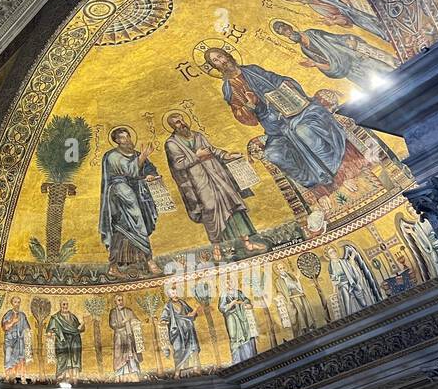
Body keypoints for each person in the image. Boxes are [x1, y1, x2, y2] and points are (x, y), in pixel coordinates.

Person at [203, 46, 349, 191]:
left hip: (298, 113)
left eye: (220, 56)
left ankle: (334, 169)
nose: (221, 61)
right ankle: (313, 183)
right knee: (273, 154)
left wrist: (285, 85)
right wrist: (250, 105)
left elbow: (277, 79)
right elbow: (241, 116)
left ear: (227, 55)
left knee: (303, 131)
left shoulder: (253, 70)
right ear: (214, 66)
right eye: (215, 60)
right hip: (276, 129)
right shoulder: (229, 89)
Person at [163, 112, 261, 261]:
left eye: (182, 120)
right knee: (210, 210)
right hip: (198, 181)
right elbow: (178, 165)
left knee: (233, 205)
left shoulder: (197, 135)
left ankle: (247, 242)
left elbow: (212, 150)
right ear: (172, 126)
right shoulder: (172, 143)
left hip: (217, 175)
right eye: (177, 122)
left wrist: (227, 155)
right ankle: (217, 248)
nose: (182, 123)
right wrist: (197, 155)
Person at [99, 126, 163, 278]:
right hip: (121, 194)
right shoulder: (112, 156)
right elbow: (129, 170)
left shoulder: (136, 154)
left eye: (127, 136)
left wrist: (150, 175)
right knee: (127, 228)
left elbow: (149, 169)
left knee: (133, 227)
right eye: (122, 137)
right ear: (116, 141)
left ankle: (117, 266)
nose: (126, 139)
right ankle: (148, 261)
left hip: (137, 193)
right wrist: (141, 158)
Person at [270, 19, 394, 91]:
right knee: (374, 90)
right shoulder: (304, 50)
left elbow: (333, 38)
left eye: (286, 30)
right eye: (284, 34)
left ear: (290, 27)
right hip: (348, 72)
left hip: (355, 59)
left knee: (390, 72)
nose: (289, 35)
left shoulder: (312, 33)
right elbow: (328, 66)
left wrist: (347, 41)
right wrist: (314, 64)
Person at [273, 0, 388, 39]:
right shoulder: (314, 7)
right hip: (355, 17)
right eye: (289, 0)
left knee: (380, 13)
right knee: (380, 31)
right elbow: (345, 20)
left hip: (353, 5)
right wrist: (334, 21)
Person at [162, 287, 201, 374]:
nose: (175, 295)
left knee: (192, 347)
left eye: (176, 293)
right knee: (178, 349)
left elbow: (191, 315)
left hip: (188, 328)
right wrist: (164, 320)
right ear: (169, 295)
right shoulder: (168, 305)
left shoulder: (182, 303)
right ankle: (178, 371)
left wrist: (195, 309)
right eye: (173, 293)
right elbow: (164, 316)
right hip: (176, 330)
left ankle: (195, 369)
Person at [46, 302, 84, 380]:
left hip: (74, 340)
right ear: (60, 305)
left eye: (66, 304)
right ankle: (62, 376)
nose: (65, 306)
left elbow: (79, 328)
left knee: (74, 357)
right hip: (62, 341)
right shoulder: (55, 318)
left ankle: (74, 377)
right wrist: (51, 333)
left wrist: (83, 324)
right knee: (62, 357)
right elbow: (49, 331)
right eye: (63, 304)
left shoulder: (73, 317)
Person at [220, 289, 259, 364]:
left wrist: (246, 304)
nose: (229, 284)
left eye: (231, 281)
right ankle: (237, 361)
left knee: (247, 335)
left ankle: (250, 357)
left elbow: (246, 301)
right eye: (227, 282)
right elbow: (222, 308)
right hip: (232, 317)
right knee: (234, 336)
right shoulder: (224, 294)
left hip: (243, 317)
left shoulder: (239, 292)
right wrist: (232, 303)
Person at [108, 295, 143, 378]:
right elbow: (112, 324)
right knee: (120, 355)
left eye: (122, 300)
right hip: (120, 337)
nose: (121, 301)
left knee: (132, 354)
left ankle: (134, 371)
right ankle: (121, 374)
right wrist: (124, 322)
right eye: (119, 300)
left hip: (130, 336)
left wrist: (134, 322)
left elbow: (136, 320)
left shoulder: (129, 311)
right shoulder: (113, 312)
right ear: (115, 302)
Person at [1, 296, 32, 379]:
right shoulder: (8, 314)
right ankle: (9, 376)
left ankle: (21, 376)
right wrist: (12, 322)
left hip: (20, 340)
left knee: (21, 357)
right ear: (12, 303)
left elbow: (27, 328)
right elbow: (5, 327)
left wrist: (27, 334)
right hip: (10, 340)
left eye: (18, 302)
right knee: (9, 358)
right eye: (15, 302)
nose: (17, 304)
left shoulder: (22, 315)